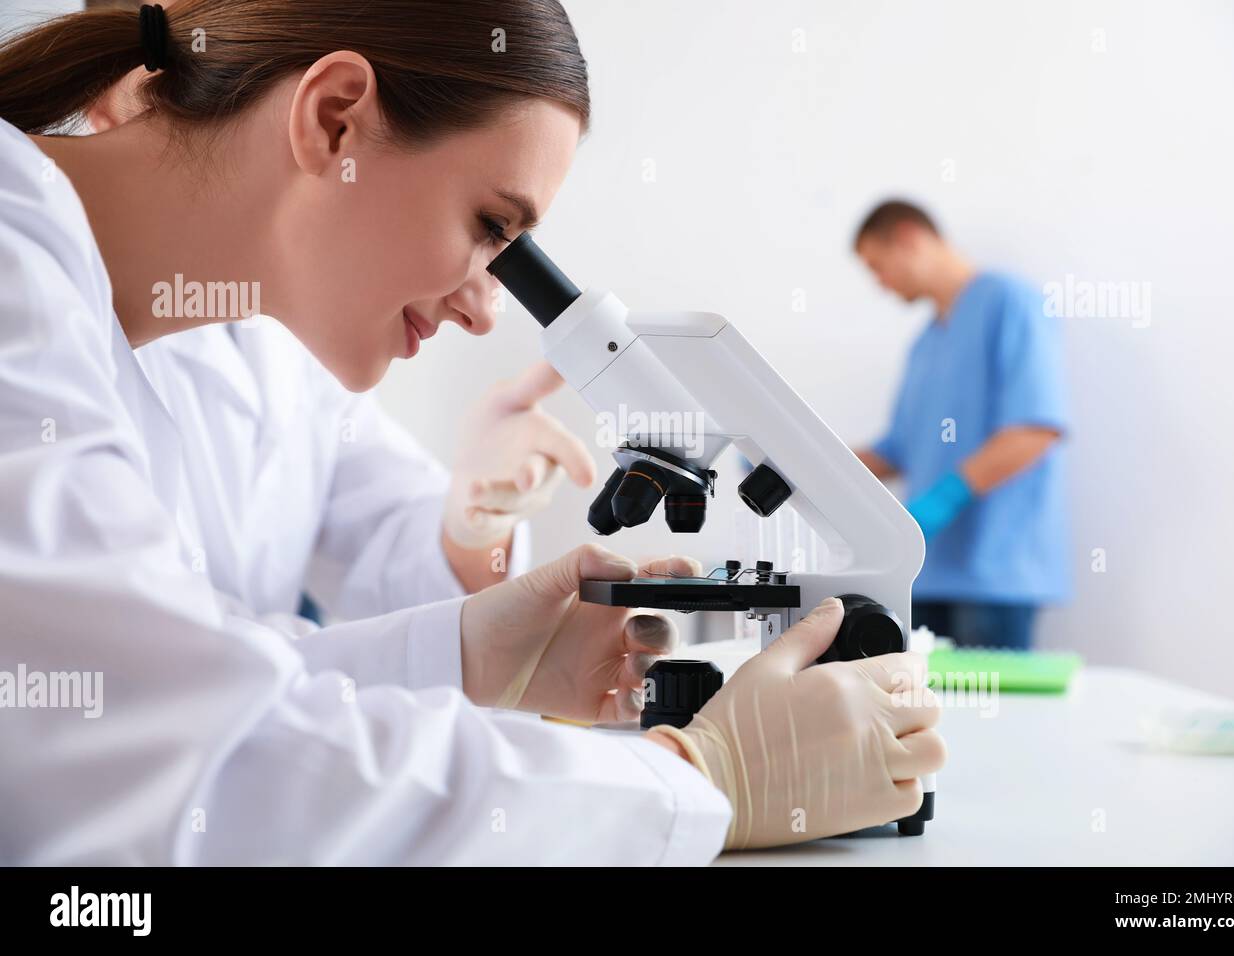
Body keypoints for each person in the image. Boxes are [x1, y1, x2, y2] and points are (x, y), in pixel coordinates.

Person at [0, 1, 944, 865]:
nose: (488, 309)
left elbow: (188, 679)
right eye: (492, 224)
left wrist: (470, 652)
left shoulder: (178, 318)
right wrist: (700, 780)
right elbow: (203, 777)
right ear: (335, 118)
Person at [852, 200, 1070, 649]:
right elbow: (895, 452)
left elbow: (1034, 430)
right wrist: (801, 462)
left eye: (878, 266)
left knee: (995, 716)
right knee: (925, 714)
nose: (880, 284)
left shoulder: (1010, 301)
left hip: (994, 575)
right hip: (926, 573)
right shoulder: (926, 343)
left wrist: (942, 499)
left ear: (910, 237)